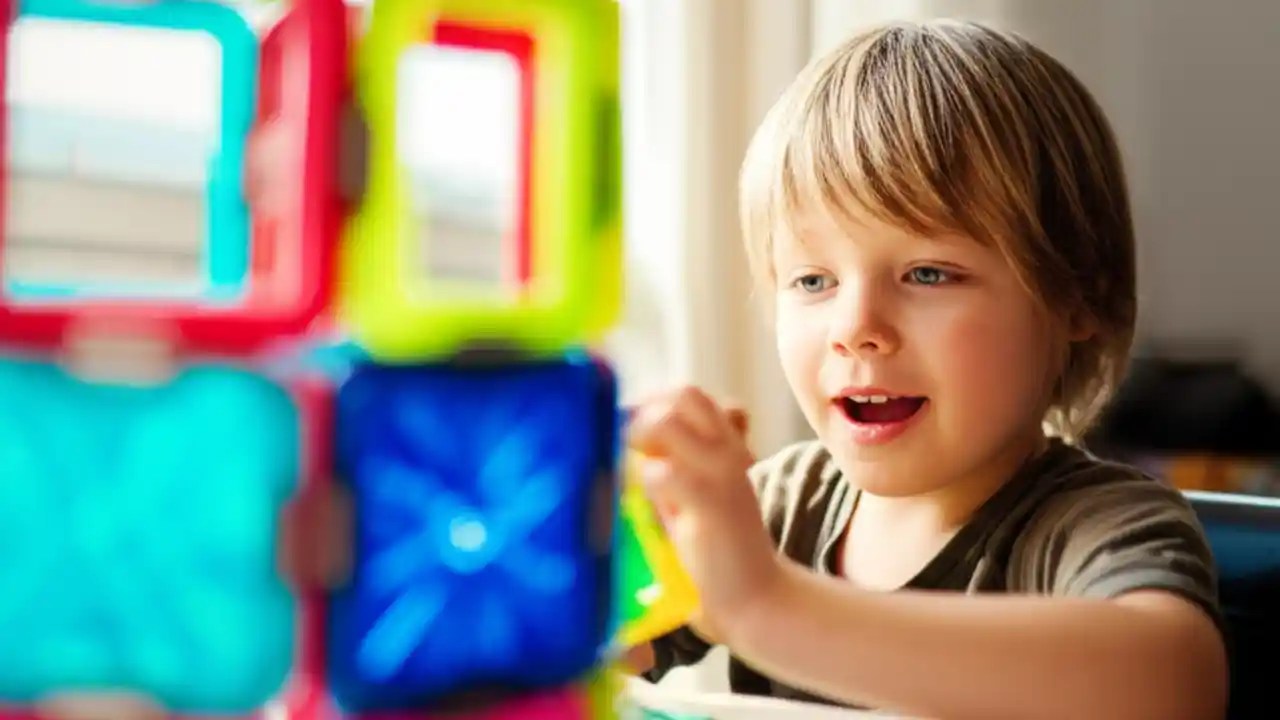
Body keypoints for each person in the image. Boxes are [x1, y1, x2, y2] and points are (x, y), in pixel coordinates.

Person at [625, 19, 1228, 720]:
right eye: (814, 281)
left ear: (1077, 298)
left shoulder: (1095, 525)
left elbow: (1168, 686)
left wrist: (767, 605)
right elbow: (559, 659)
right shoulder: (775, 508)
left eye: (928, 273)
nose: (857, 330)